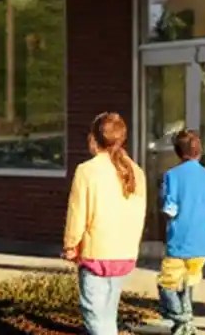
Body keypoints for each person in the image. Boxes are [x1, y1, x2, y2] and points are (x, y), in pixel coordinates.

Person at [63, 112, 147, 335]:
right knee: (108, 314)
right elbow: (139, 214)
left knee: (95, 316)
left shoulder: (87, 171)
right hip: (124, 254)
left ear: (93, 138)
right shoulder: (135, 172)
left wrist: (71, 244)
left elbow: (77, 212)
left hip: (96, 254)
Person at [158, 129, 205, 334]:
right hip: (201, 241)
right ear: (200, 151)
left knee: (166, 284)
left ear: (177, 151)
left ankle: (182, 317)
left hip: (179, 240)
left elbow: (170, 208)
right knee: (189, 284)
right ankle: (184, 326)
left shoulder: (171, 175)